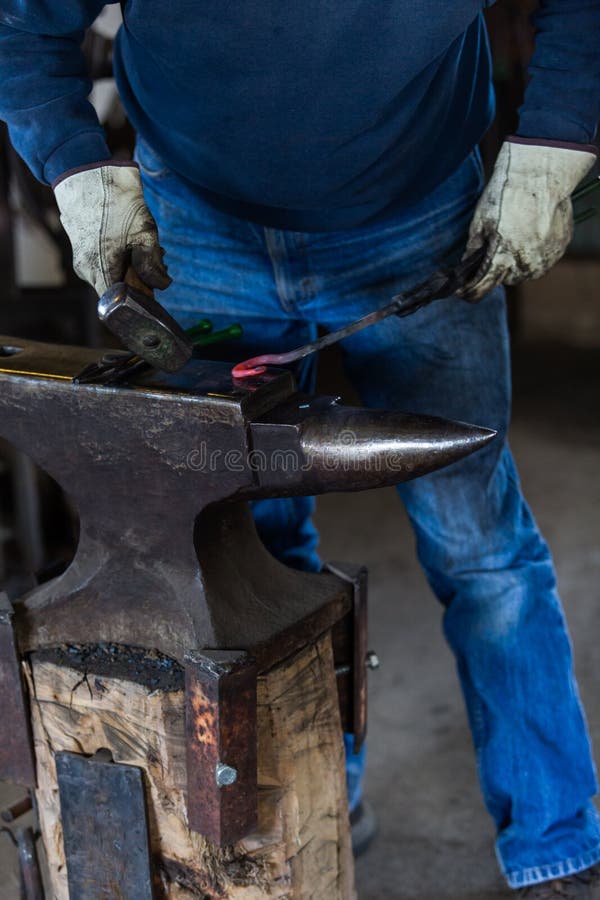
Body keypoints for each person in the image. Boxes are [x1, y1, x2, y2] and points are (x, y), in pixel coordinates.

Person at [1, 2, 599, 896]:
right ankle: (313, 806)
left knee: (483, 549)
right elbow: (19, 23)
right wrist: (76, 166)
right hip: (195, 232)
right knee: (248, 558)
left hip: (419, 218)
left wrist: (555, 138)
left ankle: (558, 842)